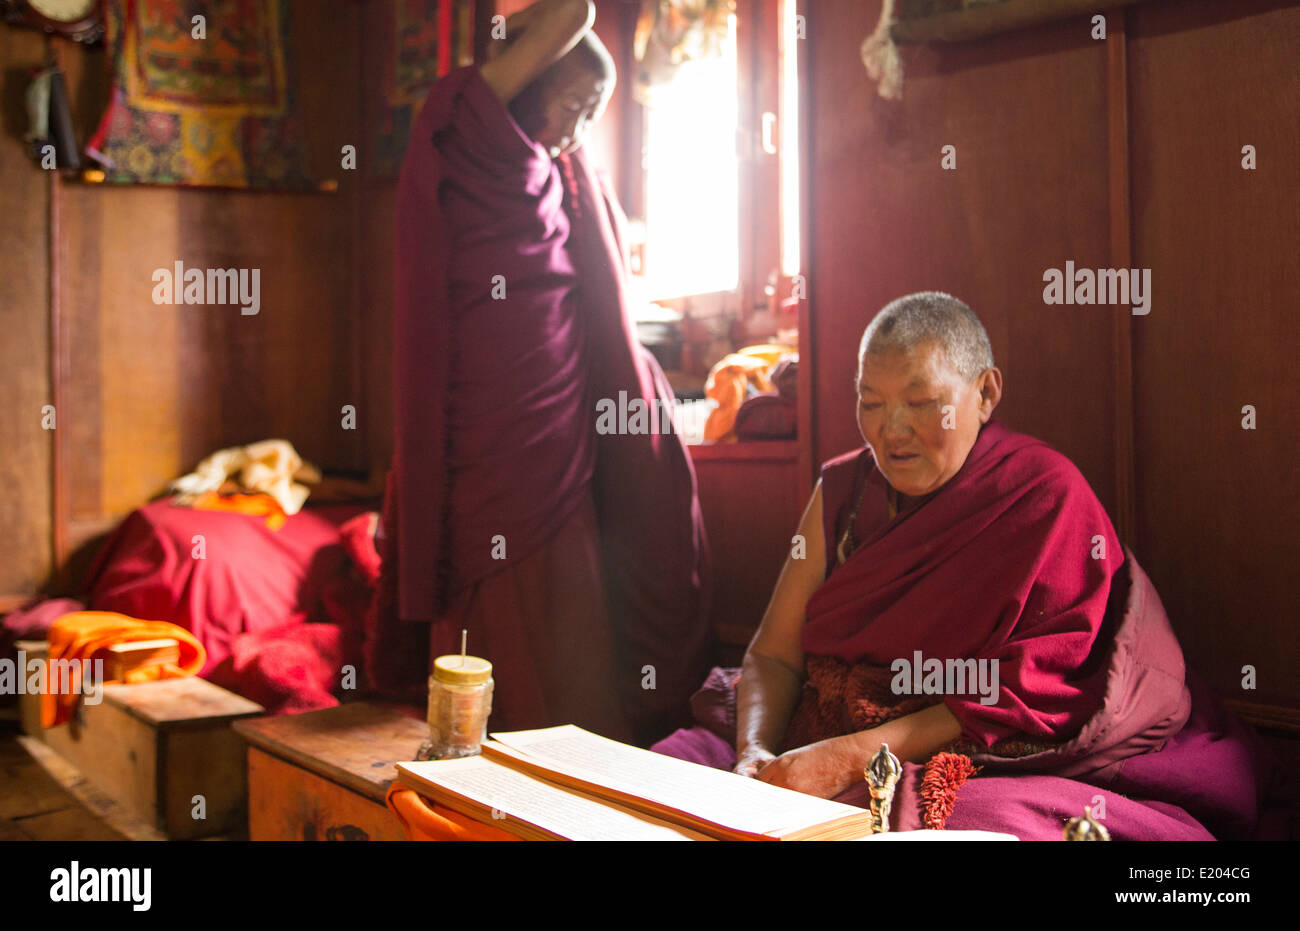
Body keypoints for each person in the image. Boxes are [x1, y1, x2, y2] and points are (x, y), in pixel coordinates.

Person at [653, 292, 1287, 839]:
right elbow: (772, 656)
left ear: (985, 393)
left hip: (978, 750)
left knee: (967, 822)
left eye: (922, 401)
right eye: (869, 402)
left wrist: (848, 757)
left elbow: (1021, 696)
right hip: (823, 718)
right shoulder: (844, 491)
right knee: (662, 777)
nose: (890, 431)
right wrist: (756, 753)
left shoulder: (1044, 493)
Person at [373, 0, 711, 746]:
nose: (580, 129)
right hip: (492, 403)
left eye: (597, 114)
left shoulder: (556, 170)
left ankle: (572, 748)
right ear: (529, 82)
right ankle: (485, 741)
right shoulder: (473, 127)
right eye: (576, 104)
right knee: (497, 563)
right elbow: (574, 11)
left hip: (553, 408)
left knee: (566, 567)